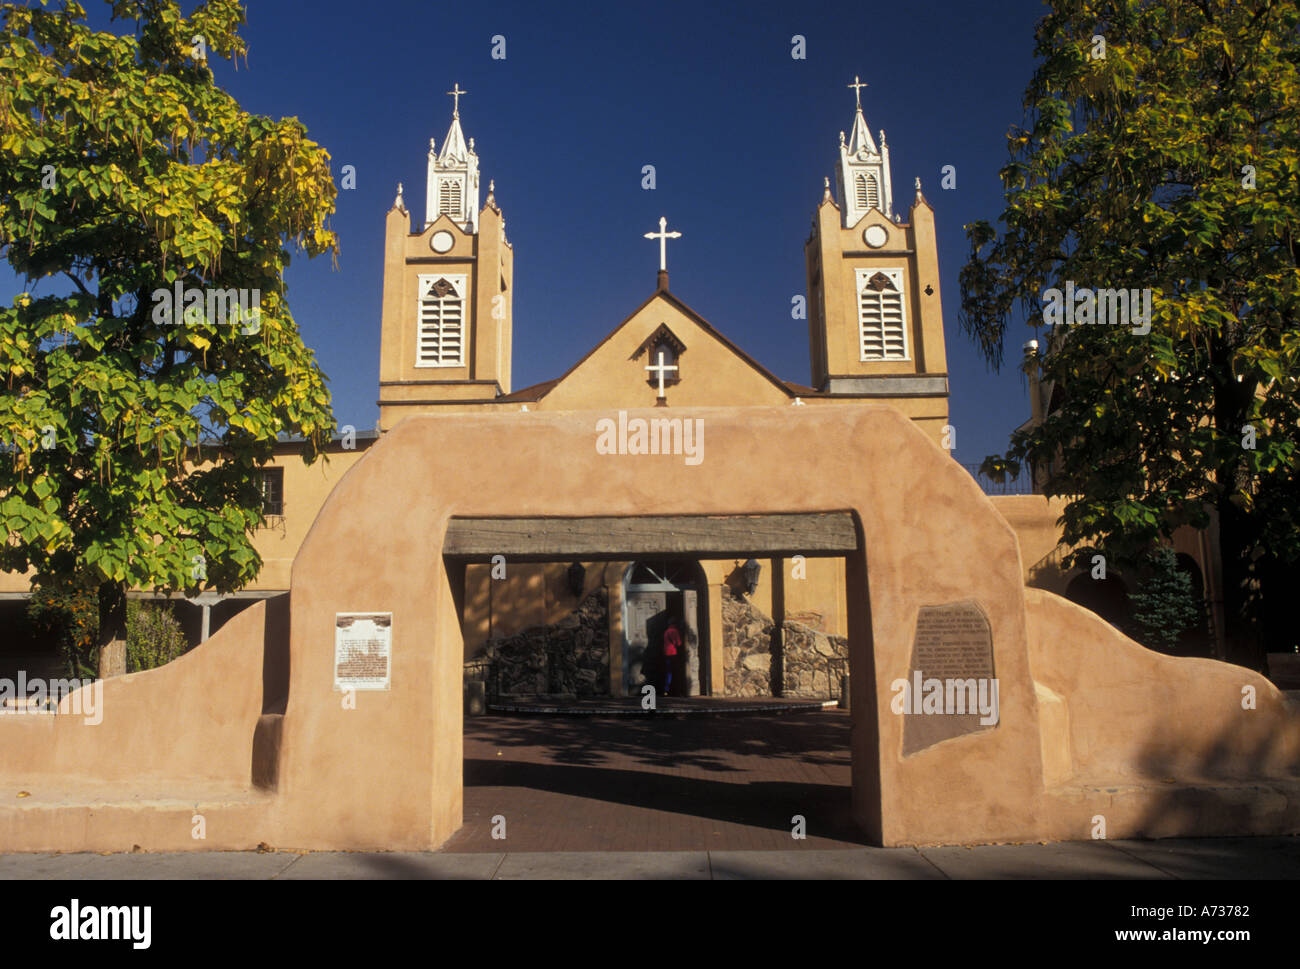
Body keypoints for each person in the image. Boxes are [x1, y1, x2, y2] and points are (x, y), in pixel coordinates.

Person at [662, 619, 682, 697]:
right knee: (674, 673)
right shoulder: (674, 631)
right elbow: (678, 643)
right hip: (673, 653)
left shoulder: (666, 631)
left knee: (668, 672)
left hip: (666, 653)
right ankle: (675, 691)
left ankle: (666, 690)